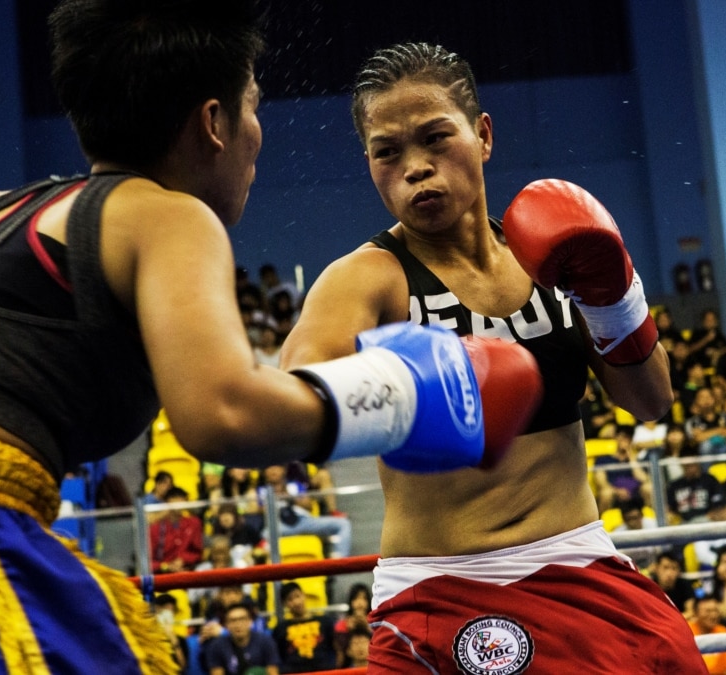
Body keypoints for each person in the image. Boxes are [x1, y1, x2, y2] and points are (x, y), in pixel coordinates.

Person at [0, 4, 539, 672]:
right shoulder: (167, 213)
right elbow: (220, 414)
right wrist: (413, 391)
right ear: (213, 122)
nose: (257, 136)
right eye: (253, 107)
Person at [279, 42, 704, 673]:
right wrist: (413, 393)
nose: (415, 168)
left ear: (482, 135)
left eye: (434, 138)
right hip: (441, 587)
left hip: (581, 563)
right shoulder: (367, 278)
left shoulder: (556, 254)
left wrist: (614, 297)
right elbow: (291, 395)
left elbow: (649, 400)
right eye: (387, 151)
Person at [271, 581, 337, 673]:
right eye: (290, 599)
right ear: (284, 604)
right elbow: (277, 658)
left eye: (297, 596)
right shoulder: (280, 629)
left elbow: (337, 649)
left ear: (304, 596)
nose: (296, 602)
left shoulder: (325, 622)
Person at [203, 603, 281, 675]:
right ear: (226, 624)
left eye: (242, 619)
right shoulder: (216, 646)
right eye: (233, 621)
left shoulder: (266, 641)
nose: (238, 624)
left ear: (250, 621)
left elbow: (273, 671)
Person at [149, 486, 205, 573]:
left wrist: (183, 559)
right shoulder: (155, 528)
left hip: (188, 570)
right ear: (167, 502)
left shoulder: (194, 523)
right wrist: (166, 566)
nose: (179, 502)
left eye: (182, 499)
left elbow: (197, 552)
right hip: (163, 574)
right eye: (175, 498)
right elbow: (149, 561)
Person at [689, 596, 726, 675]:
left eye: (715, 611)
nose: (713, 615)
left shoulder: (723, 632)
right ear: (696, 613)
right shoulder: (686, 631)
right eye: (708, 611)